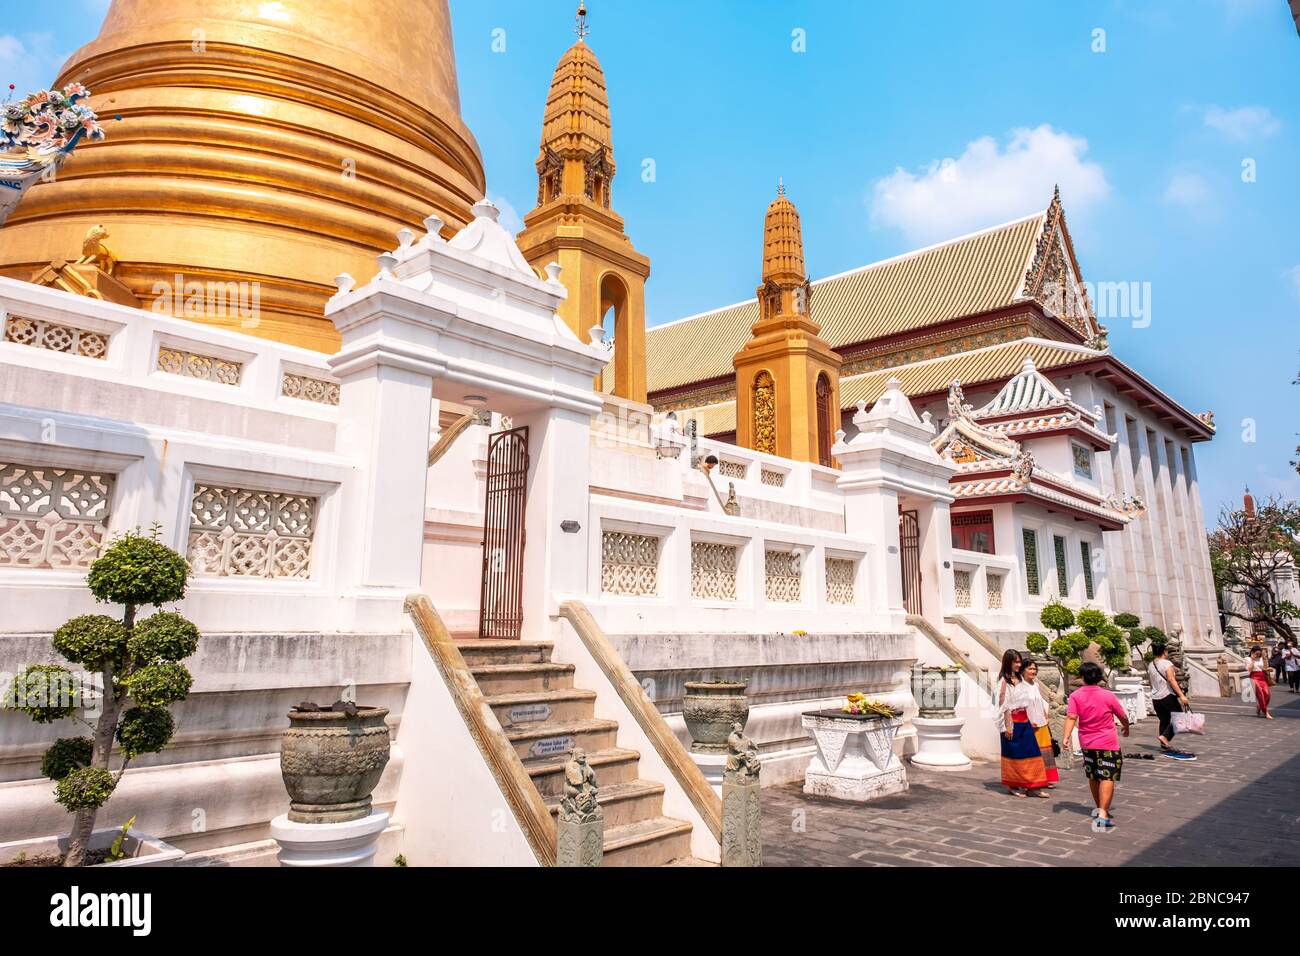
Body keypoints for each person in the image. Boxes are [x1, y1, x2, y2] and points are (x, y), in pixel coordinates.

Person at [1062, 662, 1130, 828]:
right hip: (1107, 742)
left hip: (1087, 742)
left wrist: (1066, 737)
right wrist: (1126, 726)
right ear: (1099, 677)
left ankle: (1100, 808)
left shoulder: (1076, 696)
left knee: (1093, 775)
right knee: (1107, 776)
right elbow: (1122, 715)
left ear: (1082, 677)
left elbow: (1071, 717)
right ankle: (1103, 812)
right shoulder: (1107, 695)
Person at [998, 649, 1050, 798]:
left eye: (1020, 661)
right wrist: (1008, 725)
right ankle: (1013, 785)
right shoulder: (1003, 681)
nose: (1018, 664)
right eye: (1016, 662)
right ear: (1008, 662)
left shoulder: (1020, 679)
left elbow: (1026, 702)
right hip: (1011, 722)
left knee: (1032, 752)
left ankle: (1033, 787)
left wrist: (1030, 718)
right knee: (1014, 754)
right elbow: (1003, 705)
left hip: (1024, 720)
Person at [1148, 641, 1195, 761]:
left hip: (1156, 697)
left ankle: (1164, 746)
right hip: (1167, 695)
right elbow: (1171, 680)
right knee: (1180, 718)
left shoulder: (1151, 664)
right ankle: (1165, 737)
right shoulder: (1167, 663)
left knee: (1164, 720)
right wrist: (1182, 696)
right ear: (1165, 651)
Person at [1021, 660, 1058, 786]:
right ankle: (1032, 778)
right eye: (1030, 669)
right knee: (1032, 752)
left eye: (1034, 669)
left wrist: (1045, 714)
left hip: (1042, 722)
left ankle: (1045, 779)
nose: (1033, 671)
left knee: (1045, 752)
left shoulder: (1035, 685)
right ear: (1023, 670)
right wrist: (1028, 720)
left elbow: (1039, 701)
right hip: (1029, 724)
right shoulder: (1020, 686)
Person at [1246, 646, 1273, 719]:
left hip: (1262, 677)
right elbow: (1249, 669)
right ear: (1252, 652)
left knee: (1267, 694)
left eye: (1259, 654)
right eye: (1256, 653)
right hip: (1254, 677)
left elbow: (1261, 668)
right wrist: (1253, 660)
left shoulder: (1261, 658)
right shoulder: (1247, 659)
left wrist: (1267, 669)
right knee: (1260, 694)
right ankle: (1265, 712)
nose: (1258, 655)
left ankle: (1260, 706)